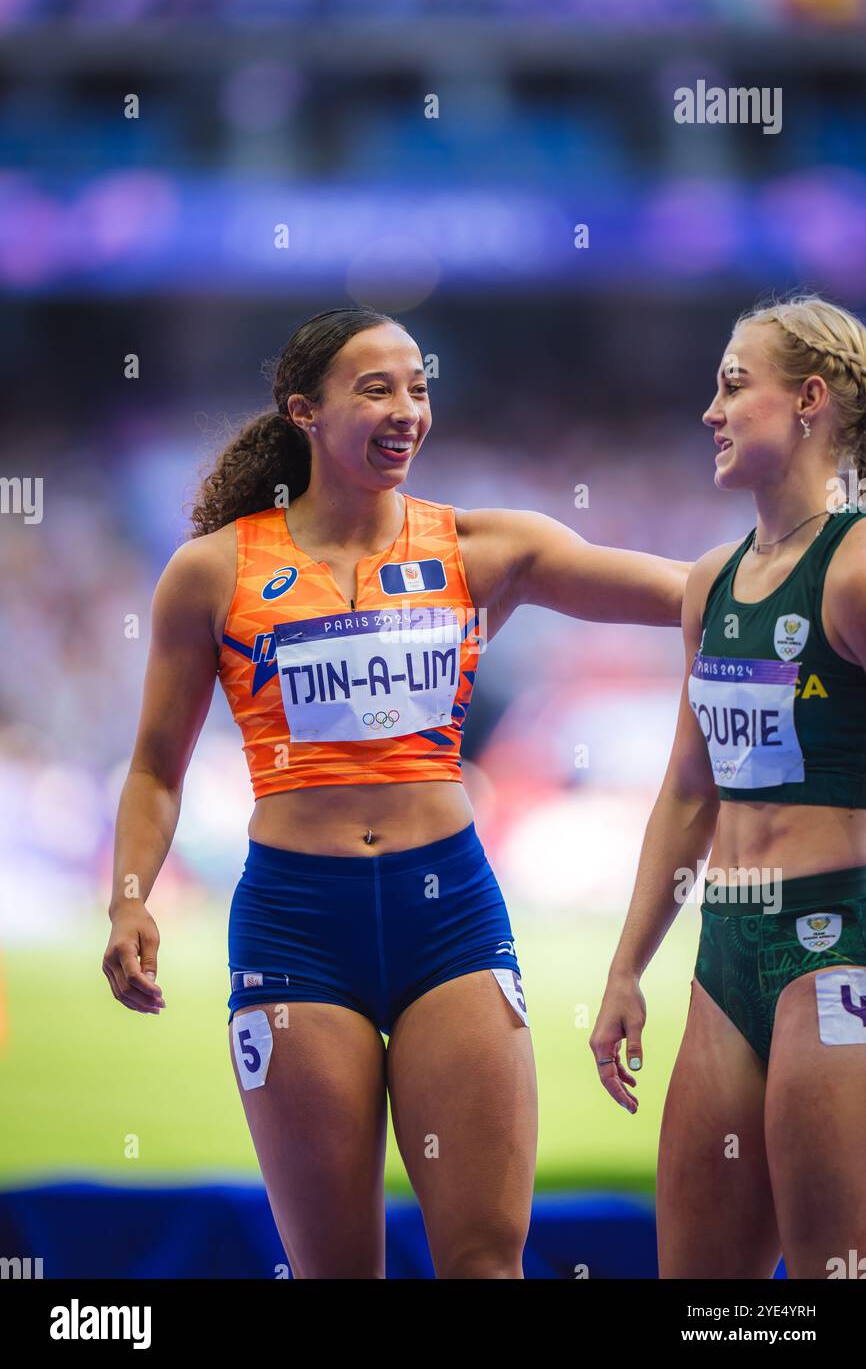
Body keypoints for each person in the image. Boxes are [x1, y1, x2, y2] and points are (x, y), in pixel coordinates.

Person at [103, 305, 688, 1279]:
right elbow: (154, 768)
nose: (407, 408)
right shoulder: (210, 573)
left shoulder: (481, 547)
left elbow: (689, 592)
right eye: (375, 388)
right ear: (303, 410)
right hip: (295, 927)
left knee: (485, 1263)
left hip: (447, 915)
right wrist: (129, 899)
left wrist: (818, 563)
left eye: (419, 387)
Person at [591, 293, 866, 1279]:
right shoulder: (711, 581)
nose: (709, 410)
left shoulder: (854, 569)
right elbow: (686, 792)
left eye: (732, 385)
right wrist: (627, 967)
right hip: (726, 947)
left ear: (809, 399)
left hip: (837, 942)